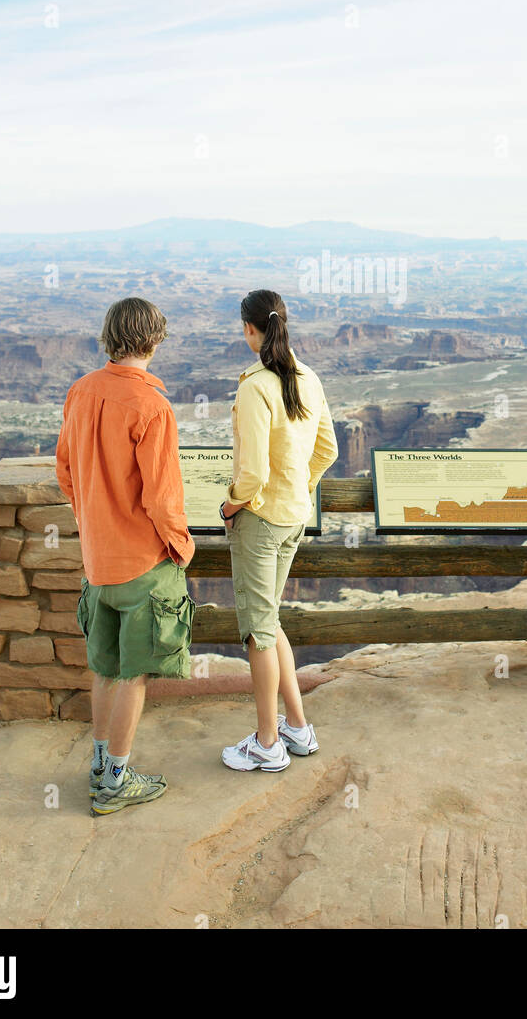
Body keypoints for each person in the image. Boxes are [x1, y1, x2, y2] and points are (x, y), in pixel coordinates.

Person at [55, 297, 195, 816]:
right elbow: (161, 498)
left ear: (109, 335)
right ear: (155, 340)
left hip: (97, 562)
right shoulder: (152, 406)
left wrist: (92, 517)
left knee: (106, 669)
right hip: (142, 562)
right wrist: (181, 546)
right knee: (136, 672)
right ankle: (115, 780)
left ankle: (98, 763)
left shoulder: (81, 390)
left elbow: (66, 470)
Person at [219, 289, 339, 771]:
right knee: (271, 622)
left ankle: (267, 744)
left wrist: (231, 505)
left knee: (258, 633)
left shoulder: (255, 385)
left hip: (261, 520)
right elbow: (326, 449)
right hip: (294, 516)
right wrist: (300, 487)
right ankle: (298, 727)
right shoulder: (308, 377)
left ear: (250, 329)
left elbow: (249, 474)